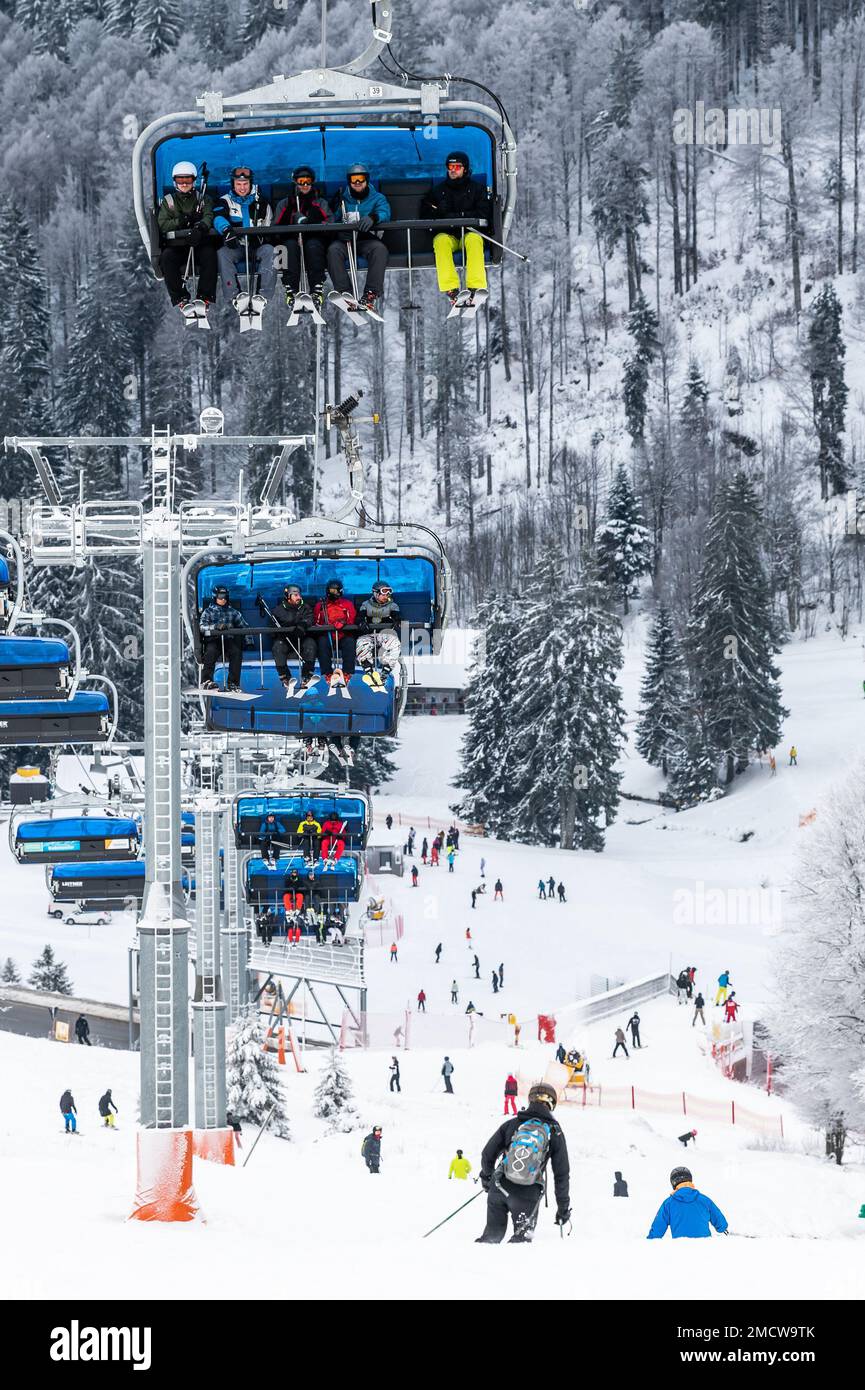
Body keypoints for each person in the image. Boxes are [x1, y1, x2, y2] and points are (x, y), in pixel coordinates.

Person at [476, 1082, 570, 1244]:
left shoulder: (512, 1124)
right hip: (527, 1194)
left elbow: (487, 1154)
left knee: (490, 1240)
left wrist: (487, 1179)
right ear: (551, 1104)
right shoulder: (555, 1132)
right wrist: (562, 1209)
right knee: (520, 1245)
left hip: (499, 1188)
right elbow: (561, 1174)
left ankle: (474, 1268)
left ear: (530, 1100)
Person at [420, 152, 491, 309]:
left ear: (465, 169)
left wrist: (457, 215)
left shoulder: (476, 189)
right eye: (450, 167)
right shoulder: (438, 191)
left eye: (457, 167)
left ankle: (475, 287)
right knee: (440, 241)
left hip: (469, 233)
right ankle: (452, 290)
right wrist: (437, 212)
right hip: (449, 235)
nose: (453, 170)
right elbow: (425, 212)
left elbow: (484, 213)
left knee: (474, 240)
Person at [327, 162, 391, 313]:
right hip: (346, 240)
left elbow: (385, 212)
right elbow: (331, 219)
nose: (357, 183)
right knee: (333, 250)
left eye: (360, 179)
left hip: (366, 238)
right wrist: (338, 230)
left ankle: (371, 293)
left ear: (367, 180)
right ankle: (345, 293)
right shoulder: (342, 199)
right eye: (354, 179)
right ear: (349, 181)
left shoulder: (377, 198)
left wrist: (373, 218)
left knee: (379, 250)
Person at [157, 161, 218, 318]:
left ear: (194, 181)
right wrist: (182, 220)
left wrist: (201, 228)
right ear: (174, 182)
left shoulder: (203, 199)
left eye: (188, 180)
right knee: (167, 258)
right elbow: (163, 224)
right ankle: (181, 298)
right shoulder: (168, 201)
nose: (184, 184)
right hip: (177, 246)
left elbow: (209, 215)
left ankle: (204, 297)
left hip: (198, 245)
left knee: (209, 254)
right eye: (180, 181)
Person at [212, 166, 275, 312]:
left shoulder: (261, 202)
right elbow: (218, 217)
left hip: (257, 246)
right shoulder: (225, 201)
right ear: (233, 184)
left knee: (271, 251)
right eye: (238, 184)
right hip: (237, 246)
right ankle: (235, 295)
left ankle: (263, 296)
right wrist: (227, 230)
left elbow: (269, 223)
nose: (242, 188)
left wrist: (261, 237)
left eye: (245, 184)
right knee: (223, 253)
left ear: (250, 184)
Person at [273, 166, 330, 313]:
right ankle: (291, 290)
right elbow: (275, 228)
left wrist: (310, 225)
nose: (305, 185)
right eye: (301, 181)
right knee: (288, 248)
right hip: (290, 242)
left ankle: (316, 289)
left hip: (313, 241)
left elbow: (330, 223)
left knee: (313, 246)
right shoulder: (285, 204)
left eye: (308, 182)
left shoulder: (320, 203)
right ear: (295, 183)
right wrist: (292, 229)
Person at [647, 1167, 728, 1240]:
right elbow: (720, 1221)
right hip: (705, 1247)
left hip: (682, 1248)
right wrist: (723, 1229)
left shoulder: (668, 1203)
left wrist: (650, 1240)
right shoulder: (704, 1200)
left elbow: (657, 1229)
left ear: (673, 1182)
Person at [269, 584, 318, 692]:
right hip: (285, 640)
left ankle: (307, 676)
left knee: (311, 644)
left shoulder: (305, 607)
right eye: (295, 595)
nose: (299, 597)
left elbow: (310, 619)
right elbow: (271, 628)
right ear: (288, 596)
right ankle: (285, 677)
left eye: (299, 594)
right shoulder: (278, 610)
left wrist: (302, 625)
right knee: (278, 647)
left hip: (302, 639)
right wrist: (283, 630)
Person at [199, 586, 249, 691]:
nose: (223, 599)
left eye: (225, 597)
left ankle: (233, 683)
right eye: (220, 597)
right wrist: (214, 627)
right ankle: (206, 681)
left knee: (236, 652)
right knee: (210, 653)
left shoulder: (233, 612)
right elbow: (202, 627)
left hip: (228, 640)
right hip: (213, 640)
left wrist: (248, 641)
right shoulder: (208, 612)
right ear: (214, 597)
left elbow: (244, 626)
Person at [313, 579, 357, 688]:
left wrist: (343, 623)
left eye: (336, 591)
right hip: (327, 634)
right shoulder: (320, 605)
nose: (334, 593)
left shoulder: (347, 604)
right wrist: (325, 627)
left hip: (342, 634)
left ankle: (347, 673)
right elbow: (316, 621)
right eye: (332, 590)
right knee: (322, 643)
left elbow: (351, 618)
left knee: (350, 642)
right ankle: (328, 673)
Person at [356, 581, 401, 686]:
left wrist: (397, 620)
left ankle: (385, 671)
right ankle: (368, 668)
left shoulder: (392, 605)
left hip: (385, 634)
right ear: (376, 593)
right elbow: (359, 617)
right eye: (384, 592)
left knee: (394, 643)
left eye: (388, 592)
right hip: (370, 634)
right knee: (361, 643)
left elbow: (397, 616)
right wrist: (361, 622)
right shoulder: (366, 605)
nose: (386, 595)